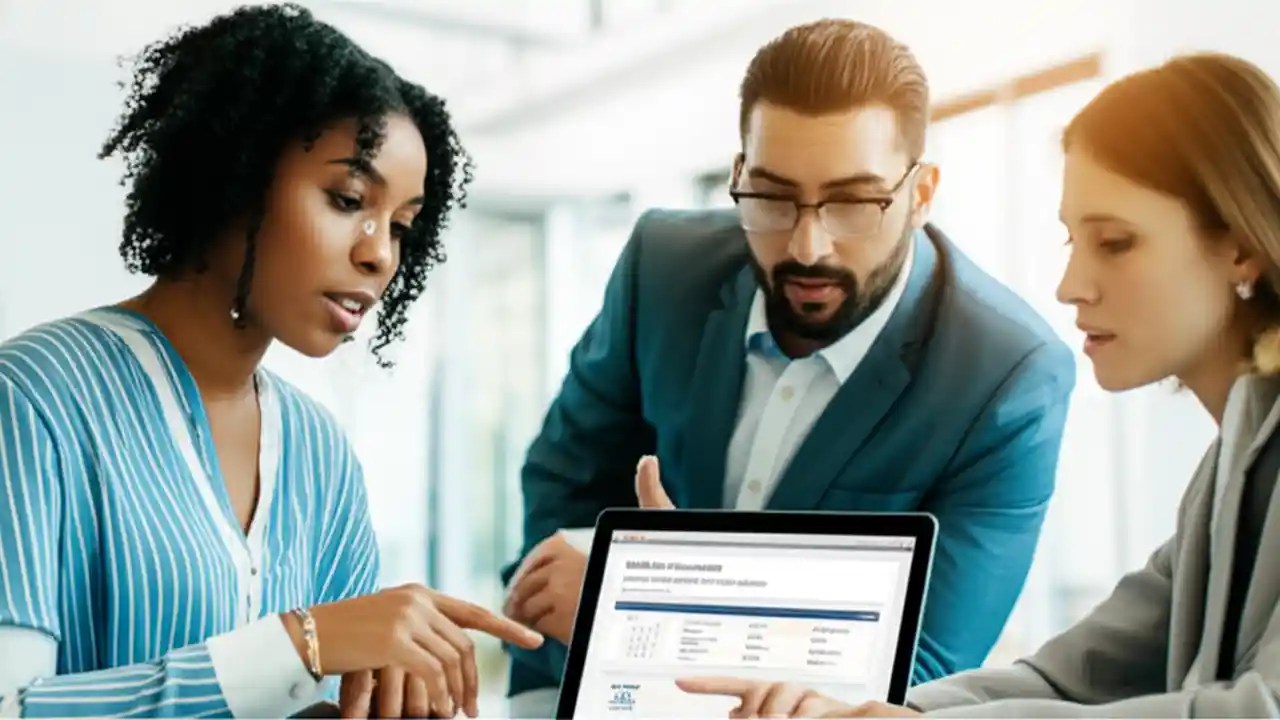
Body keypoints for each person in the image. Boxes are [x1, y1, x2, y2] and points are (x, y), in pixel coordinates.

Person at [675, 50, 1280, 718]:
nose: (1070, 286)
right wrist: (886, 715)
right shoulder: (1227, 471)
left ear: (1241, 245)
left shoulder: (1011, 378)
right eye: (1071, 242)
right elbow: (1073, 676)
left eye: (1114, 243)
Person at [501, 18, 1076, 712]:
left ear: (920, 194)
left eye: (853, 202)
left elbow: (920, 673)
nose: (809, 245)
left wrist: (642, 608)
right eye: (773, 197)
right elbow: (565, 481)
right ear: (739, 175)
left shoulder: (1007, 375)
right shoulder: (662, 267)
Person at [0, 5, 542, 718]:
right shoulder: (34, 397)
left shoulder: (321, 454)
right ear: (237, 171)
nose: (380, 253)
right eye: (348, 199)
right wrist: (297, 643)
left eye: (403, 225)